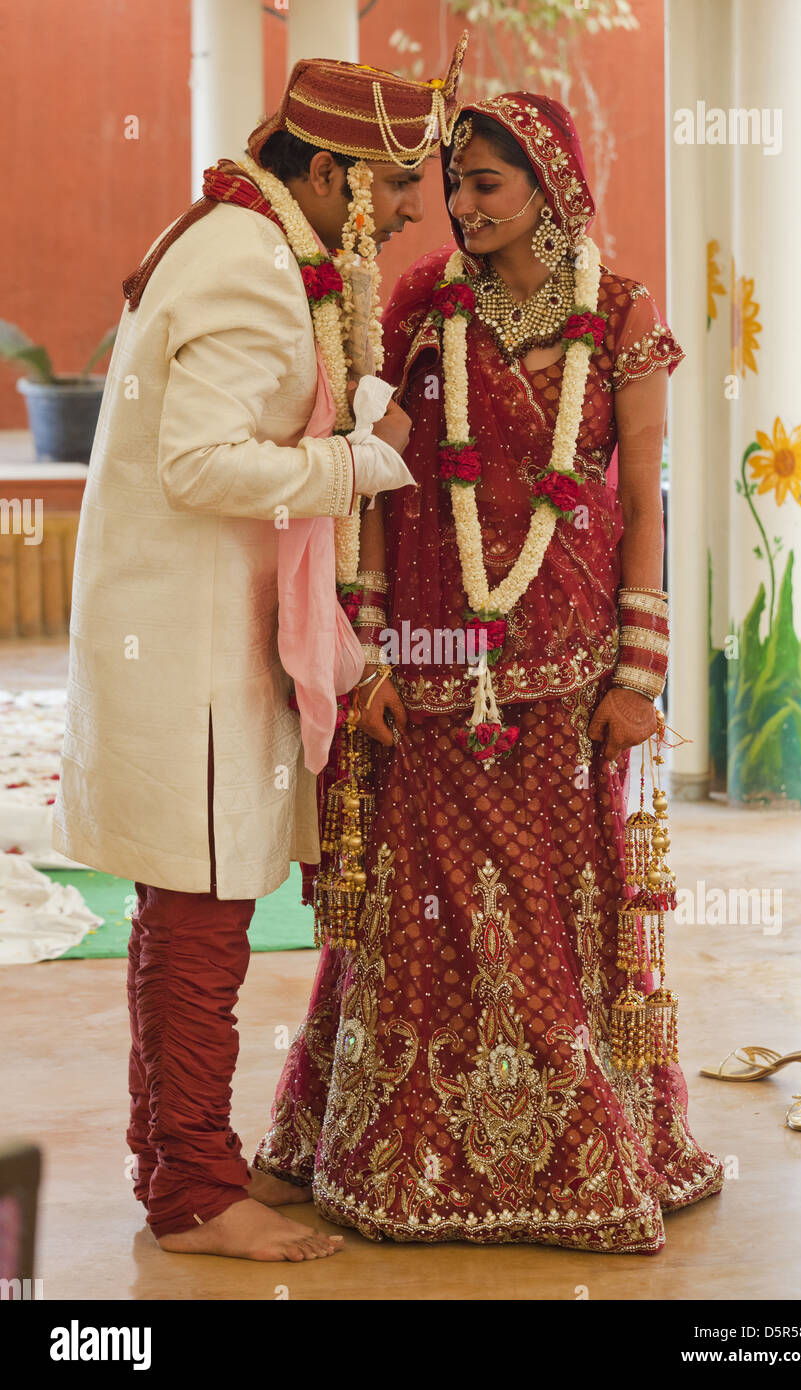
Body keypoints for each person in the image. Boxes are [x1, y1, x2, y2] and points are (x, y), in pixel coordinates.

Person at [252, 92, 725, 1253]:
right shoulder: (422, 314)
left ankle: (578, 1147)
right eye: (452, 187)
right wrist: (359, 644)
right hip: (428, 664)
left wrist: (642, 666)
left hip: (566, 670)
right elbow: (379, 487)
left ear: (550, 188)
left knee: (557, 912)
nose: (458, 209)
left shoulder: (618, 317)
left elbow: (640, 504)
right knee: (423, 910)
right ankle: (401, 1152)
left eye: (484, 186)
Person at [52, 42, 468, 1262]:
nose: (404, 215)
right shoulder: (246, 264)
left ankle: (187, 1164)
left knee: (190, 911)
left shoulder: (252, 240)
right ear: (333, 171)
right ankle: (188, 1193)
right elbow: (197, 464)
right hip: (183, 649)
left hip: (196, 637)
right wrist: (360, 458)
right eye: (395, 189)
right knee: (202, 916)